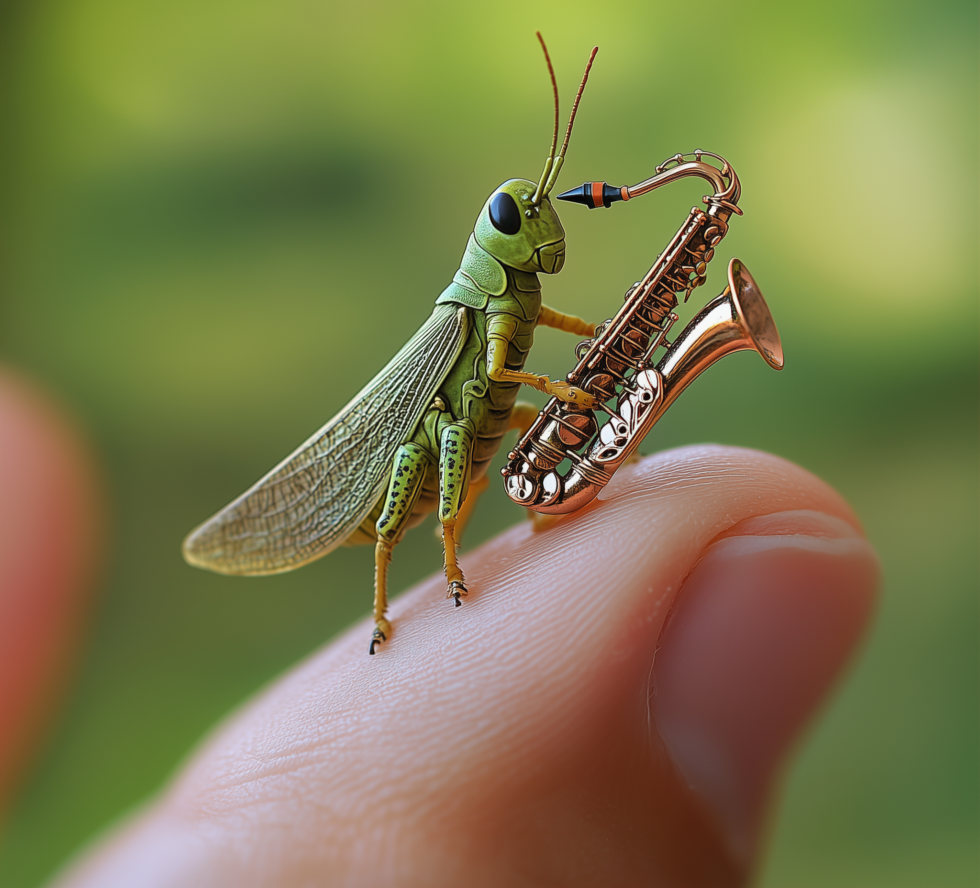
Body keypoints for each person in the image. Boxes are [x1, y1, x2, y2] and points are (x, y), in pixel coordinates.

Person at [0, 369, 878, 887]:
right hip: (427, 446)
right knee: (432, 464)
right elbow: (485, 389)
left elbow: (515, 372)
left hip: (487, 421)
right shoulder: (474, 314)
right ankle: (419, 583)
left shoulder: (513, 301)